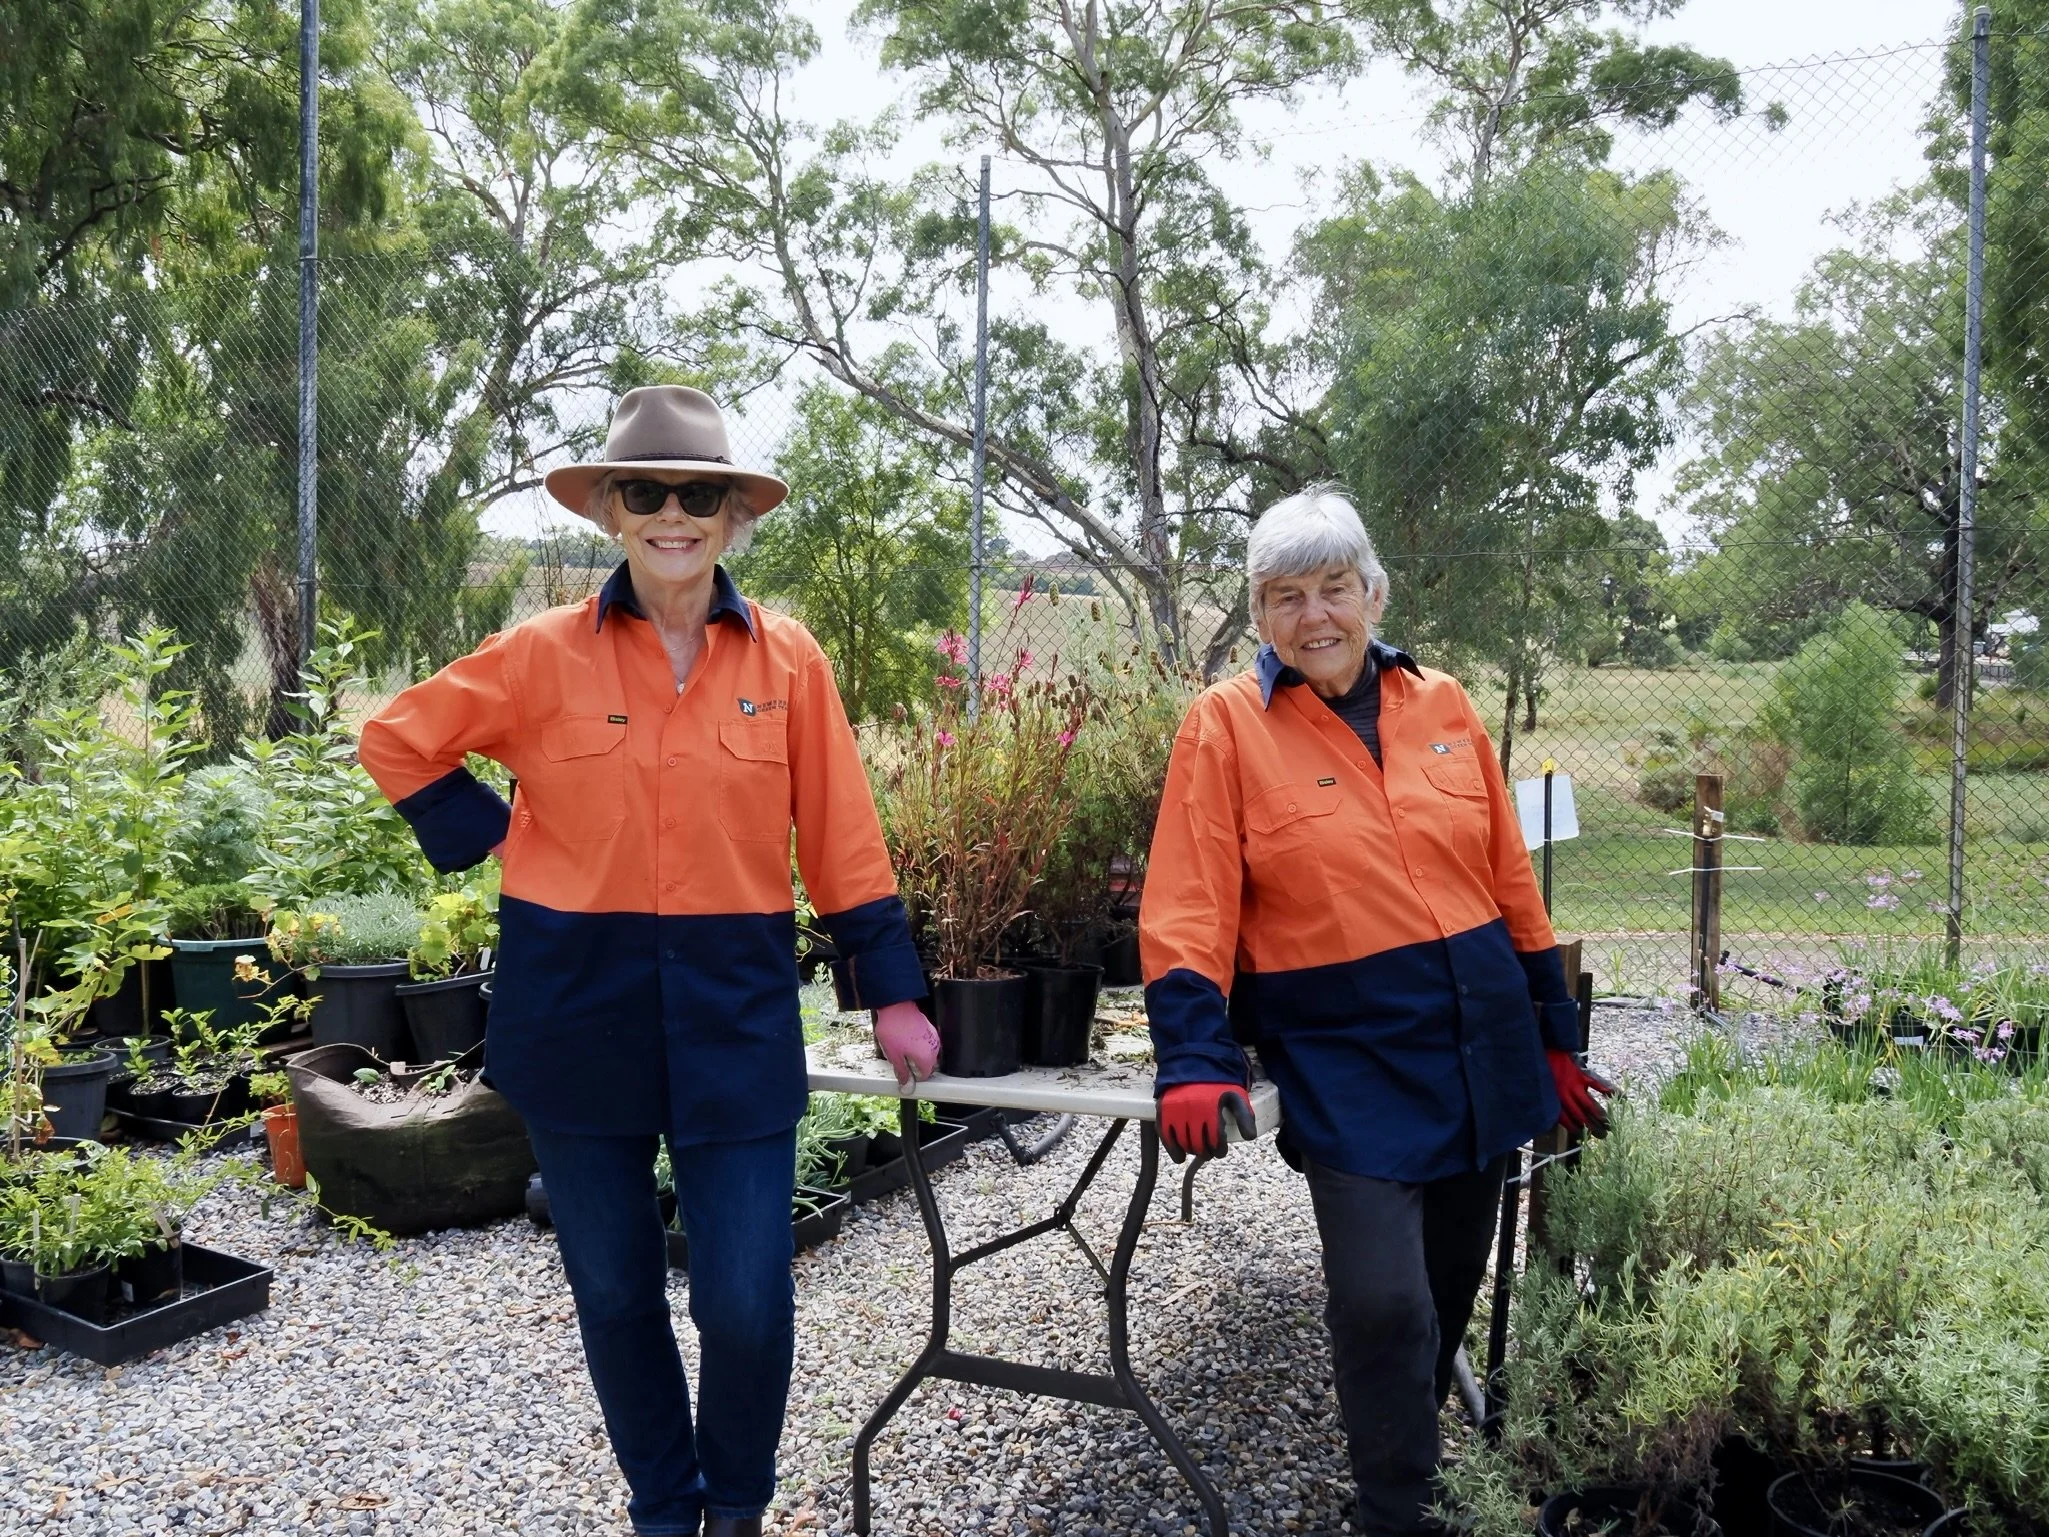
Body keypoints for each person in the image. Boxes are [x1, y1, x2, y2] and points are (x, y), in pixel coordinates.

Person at [358, 385, 941, 1537]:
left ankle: (737, 1504)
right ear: (613, 512)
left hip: (735, 1016)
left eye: (700, 494)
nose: (675, 514)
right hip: (575, 1012)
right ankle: (664, 1509)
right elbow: (396, 735)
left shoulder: (789, 661)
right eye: (648, 492)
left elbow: (841, 831)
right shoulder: (536, 658)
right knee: (616, 1291)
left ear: (732, 515)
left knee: (747, 1298)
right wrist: (490, 833)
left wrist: (898, 992)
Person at [1137, 485, 1613, 1537]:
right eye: (1286, 595)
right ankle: (1396, 1511)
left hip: (1479, 1044)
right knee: (1381, 1300)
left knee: (1442, 1294)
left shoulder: (1441, 703)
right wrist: (1192, 1056)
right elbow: (1189, 901)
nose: (1316, 616)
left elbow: (1509, 884)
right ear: (1259, 615)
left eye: (1335, 588)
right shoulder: (1224, 728)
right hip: (1346, 1056)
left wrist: (1553, 1039)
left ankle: (1412, 1464)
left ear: (1373, 592)